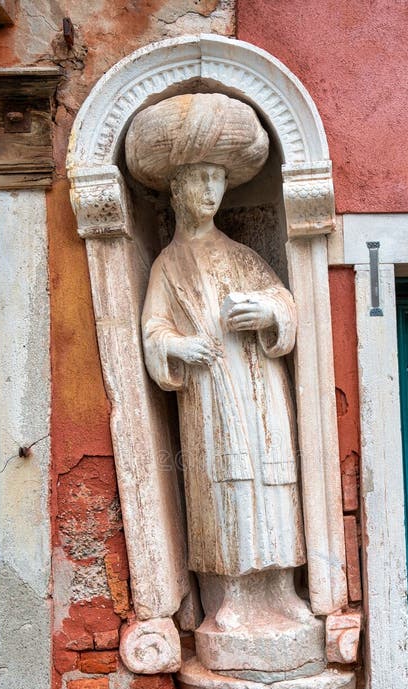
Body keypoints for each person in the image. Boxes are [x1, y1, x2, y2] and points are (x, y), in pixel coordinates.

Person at [126, 93, 313, 636]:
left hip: (260, 389)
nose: (210, 191)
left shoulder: (242, 256)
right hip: (209, 395)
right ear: (178, 188)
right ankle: (230, 597)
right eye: (200, 180)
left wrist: (270, 312)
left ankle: (282, 591)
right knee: (224, 487)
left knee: (275, 485)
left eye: (217, 180)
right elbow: (152, 330)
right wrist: (178, 348)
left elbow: (283, 300)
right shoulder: (167, 263)